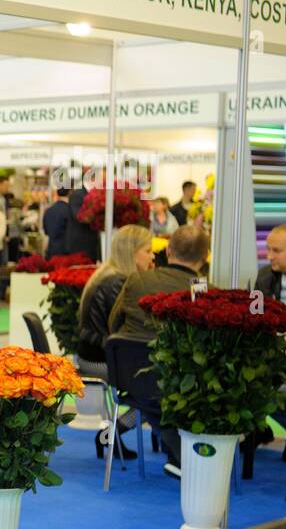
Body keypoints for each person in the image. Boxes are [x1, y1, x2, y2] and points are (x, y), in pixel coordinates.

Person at [108, 223, 211, 474]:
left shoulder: (137, 280)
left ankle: (181, 457)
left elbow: (113, 323)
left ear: (168, 249)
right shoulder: (202, 290)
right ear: (205, 255)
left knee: (153, 399)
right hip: (177, 382)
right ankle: (187, 458)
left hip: (129, 377)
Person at [76, 225, 153, 461]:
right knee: (157, 390)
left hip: (93, 356)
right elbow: (128, 330)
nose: (152, 256)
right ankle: (111, 433)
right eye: (148, 251)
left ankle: (111, 433)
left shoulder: (107, 275)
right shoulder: (118, 283)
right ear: (133, 253)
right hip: (101, 362)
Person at [66, 183, 102, 260]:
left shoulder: (96, 194)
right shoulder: (77, 195)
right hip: (80, 244)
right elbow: (80, 217)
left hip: (91, 242)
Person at [43, 186, 73, 258]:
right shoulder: (70, 211)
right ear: (70, 192)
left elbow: (46, 231)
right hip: (65, 252)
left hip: (50, 250)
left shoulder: (48, 210)